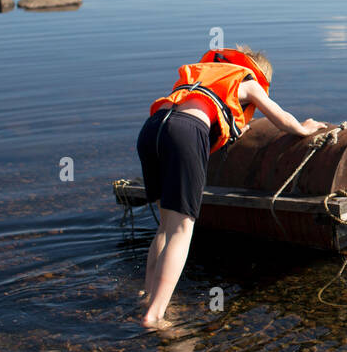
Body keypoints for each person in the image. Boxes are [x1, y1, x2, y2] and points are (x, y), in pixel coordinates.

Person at [136, 46, 322, 328]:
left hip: (152, 129)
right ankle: (155, 316)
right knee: (182, 229)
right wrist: (303, 129)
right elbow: (279, 115)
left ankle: (148, 295)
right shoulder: (248, 80)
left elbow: (214, 112)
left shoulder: (208, 73)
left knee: (165, 226)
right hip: (184, 131)